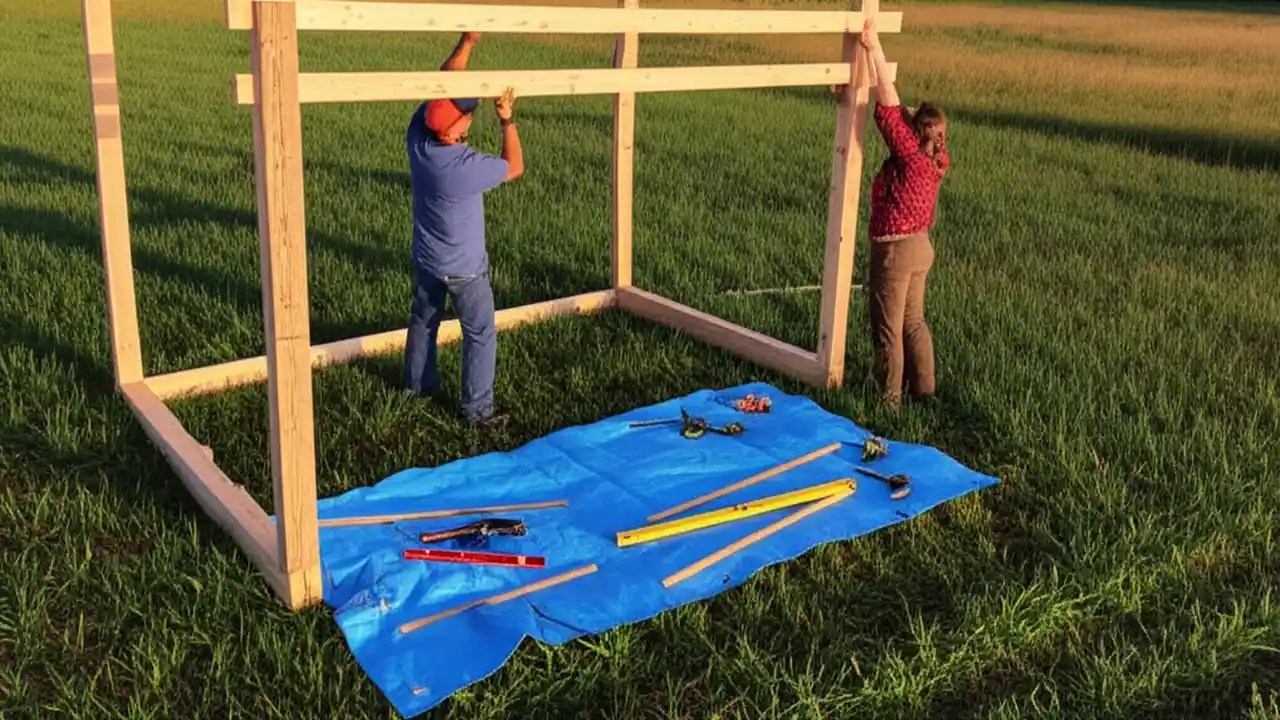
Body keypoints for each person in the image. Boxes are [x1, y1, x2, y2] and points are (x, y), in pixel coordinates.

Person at [403, 32, 524, 428]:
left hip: (427, 259)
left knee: (424, 321)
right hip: (466, 269)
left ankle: (417, 388)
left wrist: (467, 42)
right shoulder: (465, 167)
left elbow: (445, 80)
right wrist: (508, 119)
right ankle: (477, 412)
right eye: (469, 112)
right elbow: (515, 167)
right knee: (480, 333)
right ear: (459, 126)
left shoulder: (419, 138)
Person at [860, 17, 949, 408]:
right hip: (921, 248)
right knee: (914, 322)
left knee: (889, 328)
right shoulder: (937, 159)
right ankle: (925, 391)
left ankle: (889, 401)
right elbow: (906, 117)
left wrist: (872, 46)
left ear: (915, 133)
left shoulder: (911, 156)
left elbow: (891, 107)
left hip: (895, 251)